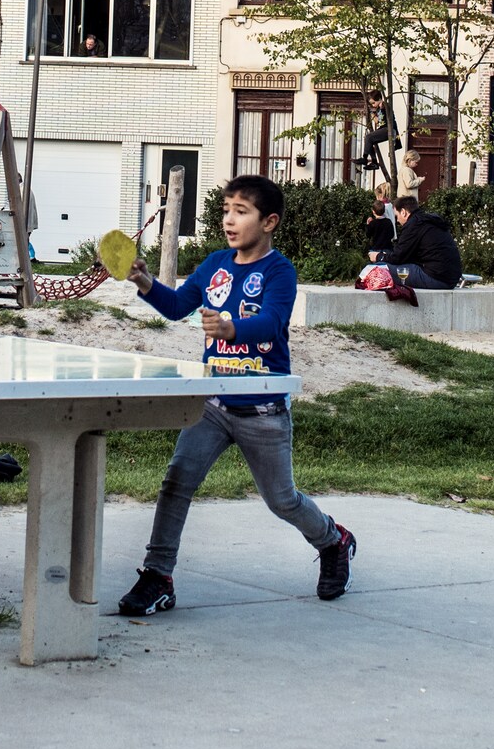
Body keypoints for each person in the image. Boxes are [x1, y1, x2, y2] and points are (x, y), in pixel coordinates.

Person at [112, 174, 356, 617]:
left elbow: (274, 321)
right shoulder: (214, 265)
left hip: (263, 408)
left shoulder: (278, 271)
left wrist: (231, 328)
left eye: (241, 211)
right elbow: (177, 307)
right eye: (226, 210)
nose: (229, 220)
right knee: (176, 482)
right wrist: (145, 283)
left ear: (270, 222)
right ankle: (157, 576)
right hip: (212, 403)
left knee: (282, 500)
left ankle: (333, 540)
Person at [368, 193, 464, 292]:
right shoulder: (427, 221)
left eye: (397, 216)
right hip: (449, 277)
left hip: (435, 277)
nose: (397, 221)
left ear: (403, 212)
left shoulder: (413, 225)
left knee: (376, 269)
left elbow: (398, 257)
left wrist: (378, 256)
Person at [360, 88, 398, 183]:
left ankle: (364, 158)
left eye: (373, 103)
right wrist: (372, 114)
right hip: (382, 129)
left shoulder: (384, 105)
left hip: (388, 130)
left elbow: (385, 110)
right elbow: (378, 121)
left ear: (379, 99)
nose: (373, 105)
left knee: (369, 137)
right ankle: (374, 162)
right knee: (370, 141)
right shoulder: (378, 109)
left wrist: (381, 105)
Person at [363, 183, 398, 261]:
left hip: (376, 246)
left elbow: (368, 234)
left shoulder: (374, 222)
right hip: (388, 243)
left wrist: (369, 224)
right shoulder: (389, 205)